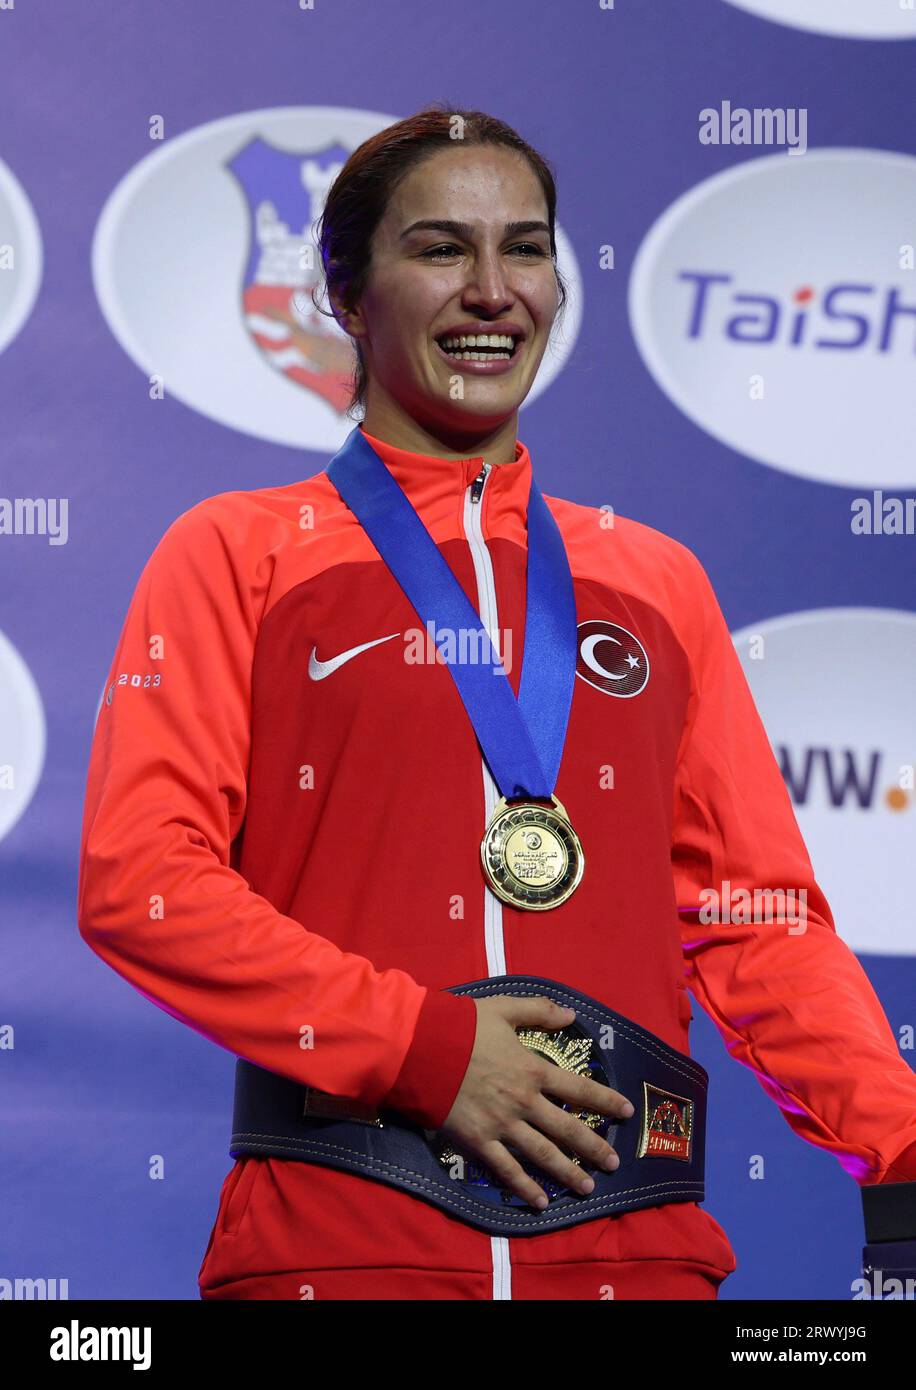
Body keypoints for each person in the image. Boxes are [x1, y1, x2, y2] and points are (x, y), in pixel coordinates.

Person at [77, 104, 916, 1302]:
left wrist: (900, 1133)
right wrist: (427, 1049)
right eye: (437, 249)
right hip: (341, 1247)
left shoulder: (653, 578)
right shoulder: (236, 554)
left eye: (524, 248)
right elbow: (142, 881)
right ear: (343, 291)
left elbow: (753, 919)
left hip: (635, 1258)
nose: (491, 290)